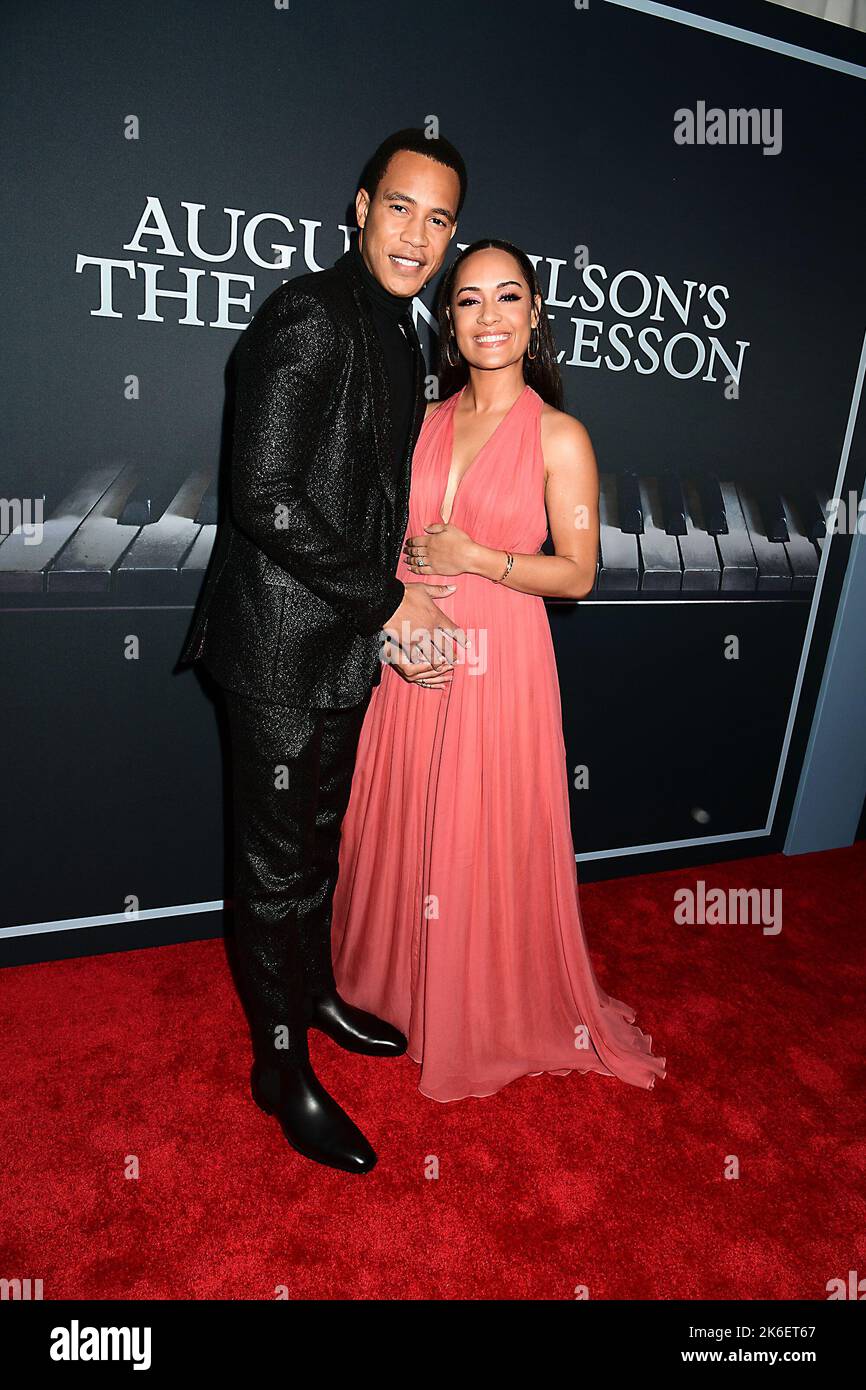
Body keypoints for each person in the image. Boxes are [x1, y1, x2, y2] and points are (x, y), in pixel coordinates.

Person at [178, 129, 468, 1172]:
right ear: (359, 208)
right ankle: (279, 1066)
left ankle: (314, 997)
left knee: (317, 847)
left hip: (340, 643)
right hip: (275, 650)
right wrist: (389, 603)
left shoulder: (401, 333)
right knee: (273, 868)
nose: (417, 235)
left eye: (439, 219)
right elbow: (263, 496)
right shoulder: (309, 313)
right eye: (400, 208)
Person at [331, 239, 667, 1102]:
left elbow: (579, 575)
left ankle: (482, 1008)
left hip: (502, 660)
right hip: (413, 649)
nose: (490, 316)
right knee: (408, 817)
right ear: (448, 320)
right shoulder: (423, 420)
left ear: (535, 315)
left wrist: (478, 557)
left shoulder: (559, 435)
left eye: (508, 297)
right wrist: (394, 630)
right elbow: (392, 544)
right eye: (470, 299)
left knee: (483, 834)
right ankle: (394, 990)